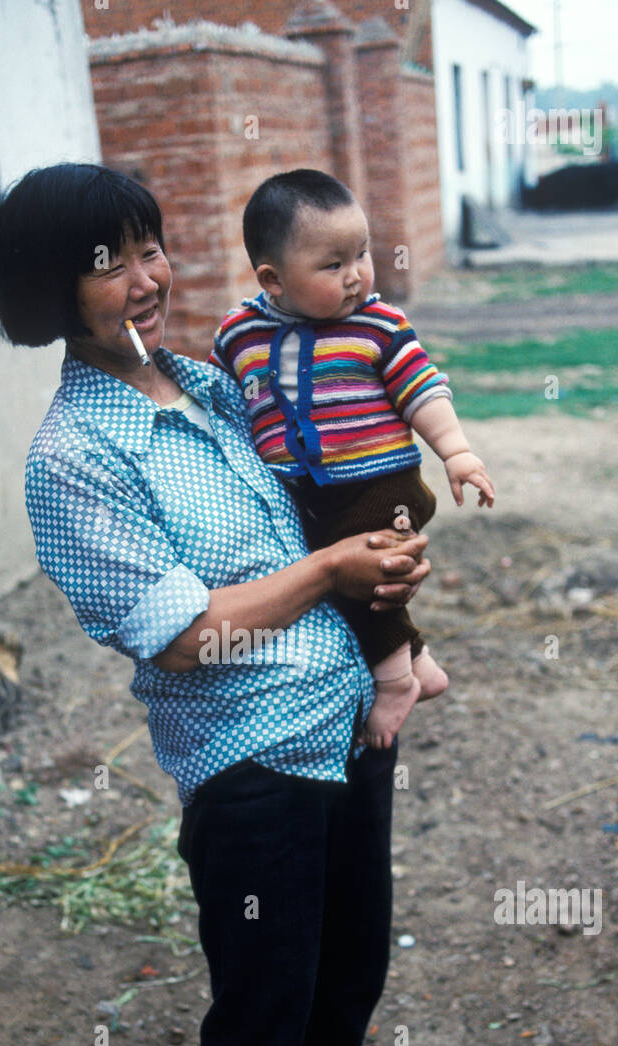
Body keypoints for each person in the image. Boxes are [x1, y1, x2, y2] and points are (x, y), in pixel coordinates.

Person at [0, 162, 433, 1046]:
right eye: (108, 265)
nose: (144, 281)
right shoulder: (72, 458)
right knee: (266, 975)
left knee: (352, 941)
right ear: (50, 290)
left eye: (150, 249)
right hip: (248, 756)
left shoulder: (206, 380)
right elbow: (182, 635)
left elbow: (325, 460)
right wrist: (335, 564)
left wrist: (384, 559)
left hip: (341, 710)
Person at [210, 169, 496, 749]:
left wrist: (457, 452)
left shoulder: (378, 326)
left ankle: (393, 684)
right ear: (274, 280)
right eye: (332, 264)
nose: (356, 275)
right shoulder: (239, 335)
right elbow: (222, 400)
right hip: (307, 494)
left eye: (361, 254)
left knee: (373, 575)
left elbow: (422, 390)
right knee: (339, 579)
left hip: (379, 482)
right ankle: (417, 661)